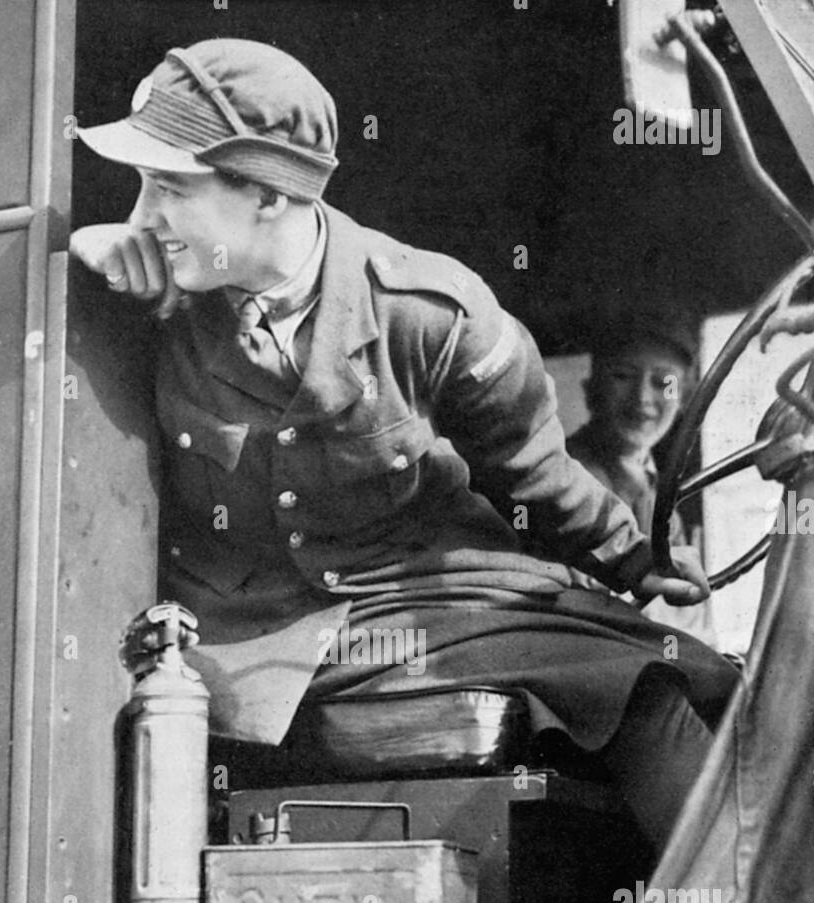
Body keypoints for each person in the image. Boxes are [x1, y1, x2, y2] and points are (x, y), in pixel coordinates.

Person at [70, 37, 737, 852]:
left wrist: (636, 558)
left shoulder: (430, 312)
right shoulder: (149, 298)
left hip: (430, 602)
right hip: (251, 631)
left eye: (169, 187)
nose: (141, 216)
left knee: (671, 680)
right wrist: (75, 262)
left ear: (270, 193)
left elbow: (531, 474)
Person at [566, 317, 716, 643]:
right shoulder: (564, 482)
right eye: (622, 376)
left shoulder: (659, 491)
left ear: (684, 399)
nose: (642, 398)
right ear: (591, 392)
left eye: (663, 382)